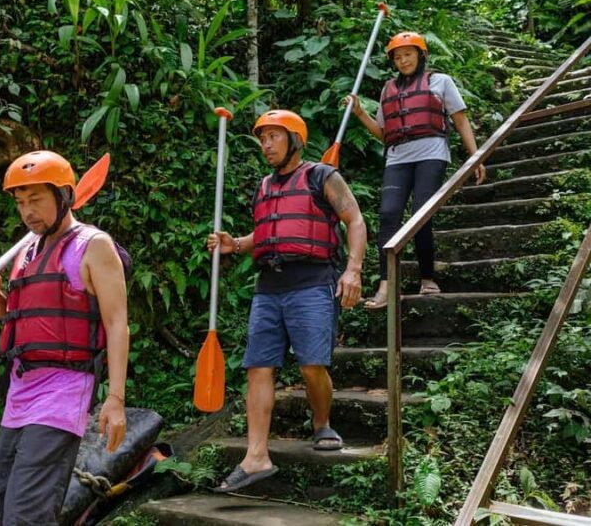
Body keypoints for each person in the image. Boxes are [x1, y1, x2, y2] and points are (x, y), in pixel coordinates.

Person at [207, 110, 367, 492]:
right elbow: (268, 234)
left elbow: (355, 220)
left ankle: (321, 421)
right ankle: (256, 456)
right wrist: (237, 244)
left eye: (274, 137)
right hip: (268, 287)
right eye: (263, 138)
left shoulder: (322, 176)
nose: (266, 144)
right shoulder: (264, 186)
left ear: (295, 139)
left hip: (312, 282)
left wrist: (353, 269)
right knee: (258, 367)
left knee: (312, 365)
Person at [0, 150, 129, 525]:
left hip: (64, 388)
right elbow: (24, 321)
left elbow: (117, 322)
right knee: (8, 506)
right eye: (21, 203)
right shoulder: (25, 249)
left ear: (64, 196)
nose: (27, 212)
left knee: (27, 513)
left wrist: (116, 399)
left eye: (36, 200)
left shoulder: (94, 245)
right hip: (21, 389)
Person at [344, 31, 486, 309]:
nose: (403, 60)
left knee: (420, 214)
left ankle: (427, 278)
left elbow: (460, 121)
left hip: (431, 153)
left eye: (408, 54)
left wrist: (476, 157)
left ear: (421, 55)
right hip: (397, 157)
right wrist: (360, 113)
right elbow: (383, 133)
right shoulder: (388, 89)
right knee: (387, 216)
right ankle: (386, 285)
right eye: (397, 56)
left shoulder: (440, 81)